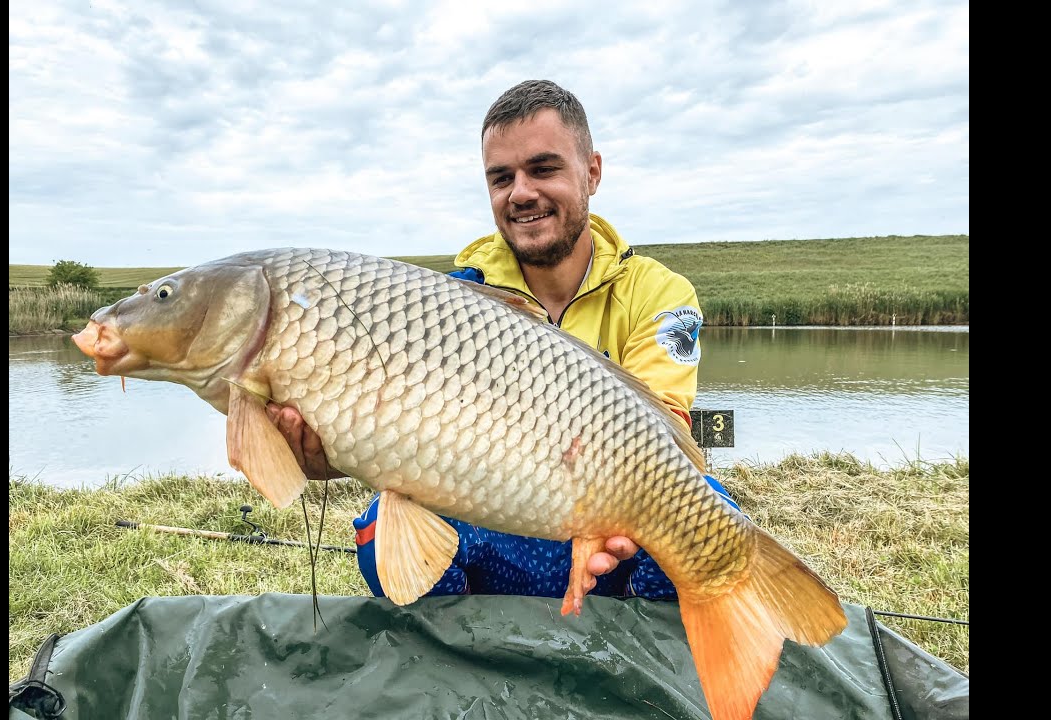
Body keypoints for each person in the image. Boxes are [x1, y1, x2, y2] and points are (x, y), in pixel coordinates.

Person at [266, 79, 739, 601]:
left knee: (710, 519)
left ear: (593, 171)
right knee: (382, 533)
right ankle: (476, 664)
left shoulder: (660, 293)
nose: (521, 193)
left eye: (543, 169)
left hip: (614, 522)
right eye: (501, 177)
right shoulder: (457, 299)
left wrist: (604, 512)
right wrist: (332, 454)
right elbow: (407, 436)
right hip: (498, 512)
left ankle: (645, 656)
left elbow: (662, 436)